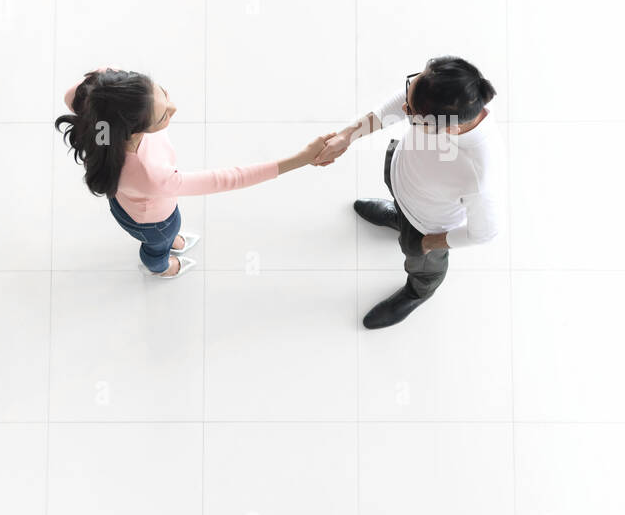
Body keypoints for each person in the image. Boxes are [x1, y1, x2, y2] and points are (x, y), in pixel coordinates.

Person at [56, 66, 333, 278]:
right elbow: (228, 178)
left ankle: (167, 243)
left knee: (165, 235)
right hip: (155, 221)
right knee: (158, 245)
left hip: (126, 203)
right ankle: (160, 267)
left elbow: (75, 93)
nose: (173, 109)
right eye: (162, 116)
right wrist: (301, 159)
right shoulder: (152, 175)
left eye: (163, 93)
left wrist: (109, 80)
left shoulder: (98, 103)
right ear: (134, 129)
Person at [315, 56, 503, 328]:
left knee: (422, 265)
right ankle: (397, 216)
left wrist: (429, 243)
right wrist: (348, 135)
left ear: (447, 127)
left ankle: (417, 292)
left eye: (412, 113)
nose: (405, 108)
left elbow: (486, 232)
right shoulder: (451, 95)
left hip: (427, 224)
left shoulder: (480, 171)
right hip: (403, 177)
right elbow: (401, 102)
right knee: (400, 207)